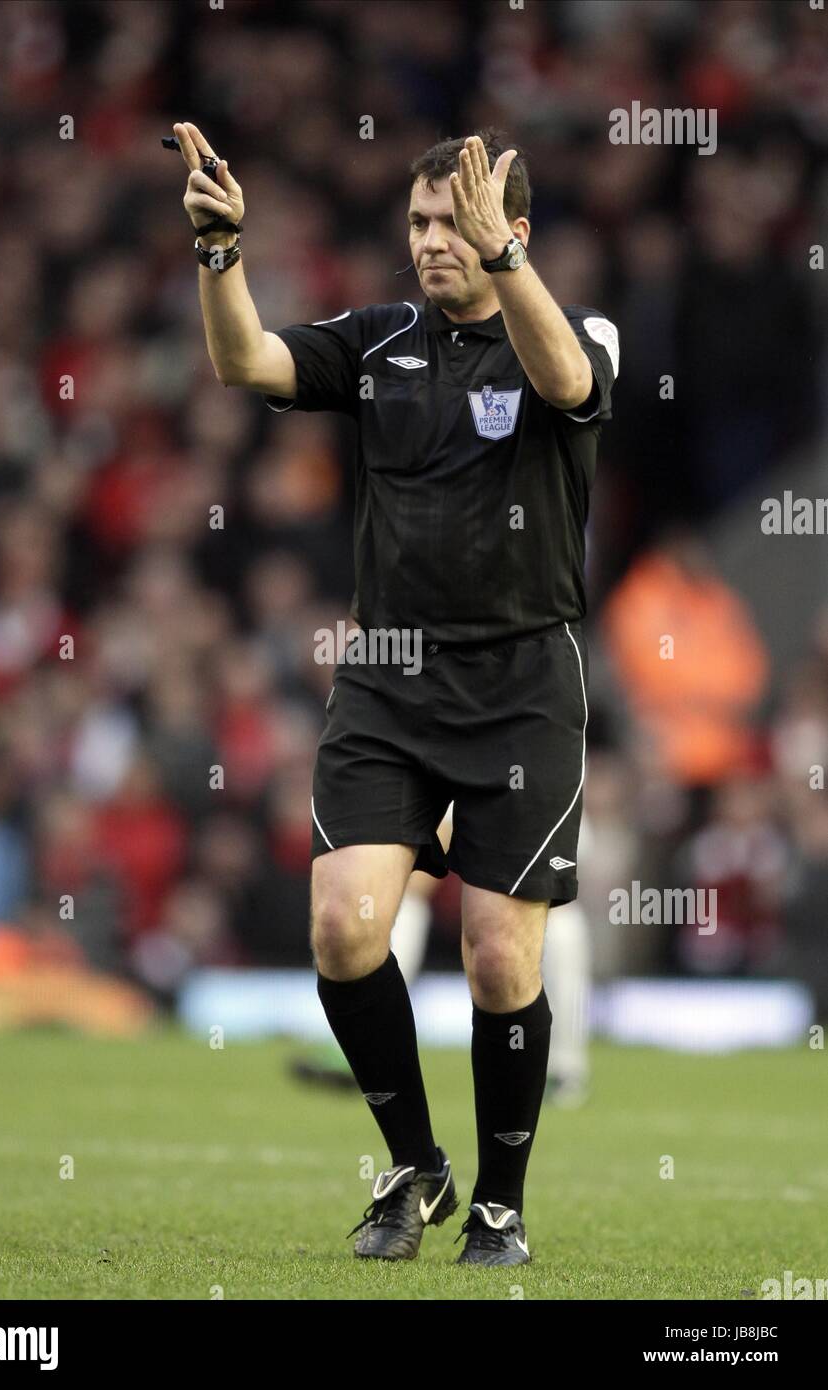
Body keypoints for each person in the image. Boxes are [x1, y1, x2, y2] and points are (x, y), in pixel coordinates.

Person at [174, 121, 618, 1266]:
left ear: (511, 229)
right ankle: (415, 1165)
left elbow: (569, 381)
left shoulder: (572, 331)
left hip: (523, 678)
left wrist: (507, 268)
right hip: (390, 675)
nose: (429, 241)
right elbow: (248, 364)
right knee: (342, 927)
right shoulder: (378, 343)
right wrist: (222, 257)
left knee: (498, 960)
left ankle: (503, 1207)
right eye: (418, 221)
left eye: (453, 221)